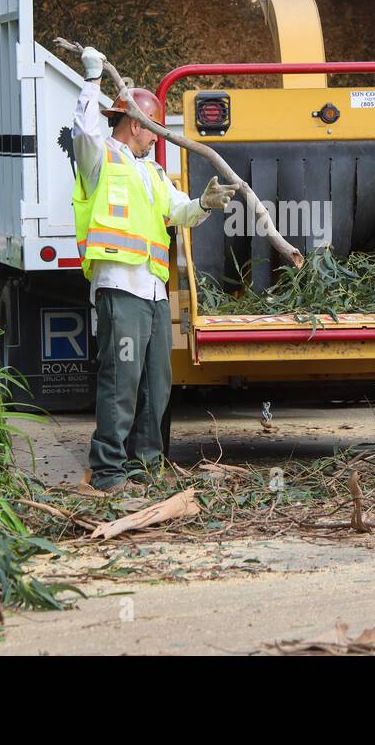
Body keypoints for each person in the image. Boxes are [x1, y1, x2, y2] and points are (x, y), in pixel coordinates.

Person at [72, 46, 237, 493]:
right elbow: (84, 131)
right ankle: (107, 472)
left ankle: (146, 469)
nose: (157, 137)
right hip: (119, 288)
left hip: (153, 293)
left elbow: (178, 211)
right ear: (134, 123)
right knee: (120, 381)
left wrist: (203, 204)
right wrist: (90, 80)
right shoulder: (99, 160)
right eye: (153, 128)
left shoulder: (153, 173)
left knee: (156, 386)